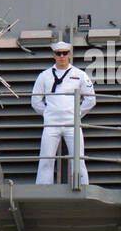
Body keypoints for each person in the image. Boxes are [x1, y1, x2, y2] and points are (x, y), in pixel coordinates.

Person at [31, 41, 96, 185]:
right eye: (58, 53)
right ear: (53, 55)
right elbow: (35, 101)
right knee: (46, 159)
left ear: (69, 54)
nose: (61, 56)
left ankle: (82, 187)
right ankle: (43, 189)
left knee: (78, 158)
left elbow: (90, 99)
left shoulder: (79, 75)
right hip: (51, 124)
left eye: (64, 53)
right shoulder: (44, 76)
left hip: (72, 123)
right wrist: (48, 113)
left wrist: (76, 114)